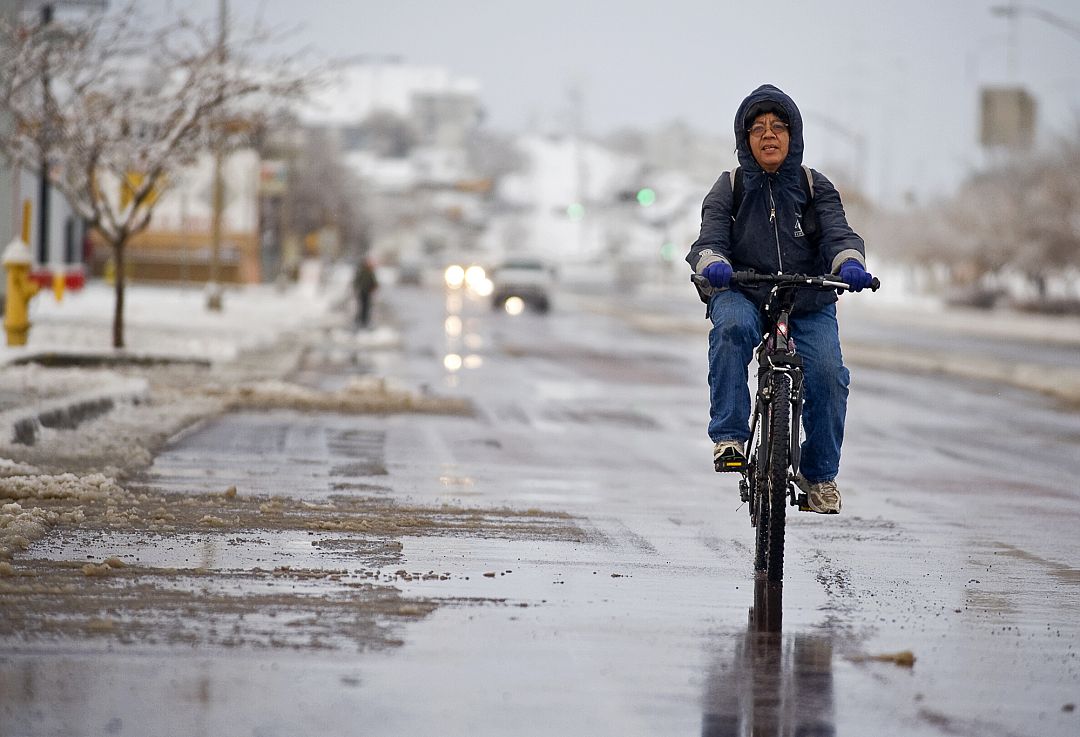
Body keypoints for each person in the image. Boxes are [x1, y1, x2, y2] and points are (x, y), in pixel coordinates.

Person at [686, 84, 873, 514]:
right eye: (758, 129)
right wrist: (714, 263)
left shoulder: (814, 185)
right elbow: (709, 238)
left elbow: (838, 234)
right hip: (742, 290)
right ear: (744, 139)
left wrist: (849, 264)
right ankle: (730, 437)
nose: (768, 135)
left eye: (778, 127)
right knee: (731, 328)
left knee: (828, 373)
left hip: (807, 297)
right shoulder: (729, 186)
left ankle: (819, 477)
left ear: (794, 136)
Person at [353, 257, 378, 328]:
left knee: (366, 306)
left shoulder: (370, 272)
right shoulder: (362, 271)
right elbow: (357, 280)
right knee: (362, 306)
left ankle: (365, 320)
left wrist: (374, 287)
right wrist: (356, 288)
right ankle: (360, 320)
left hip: (368, 291)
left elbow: (373, 281)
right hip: (362, 291)